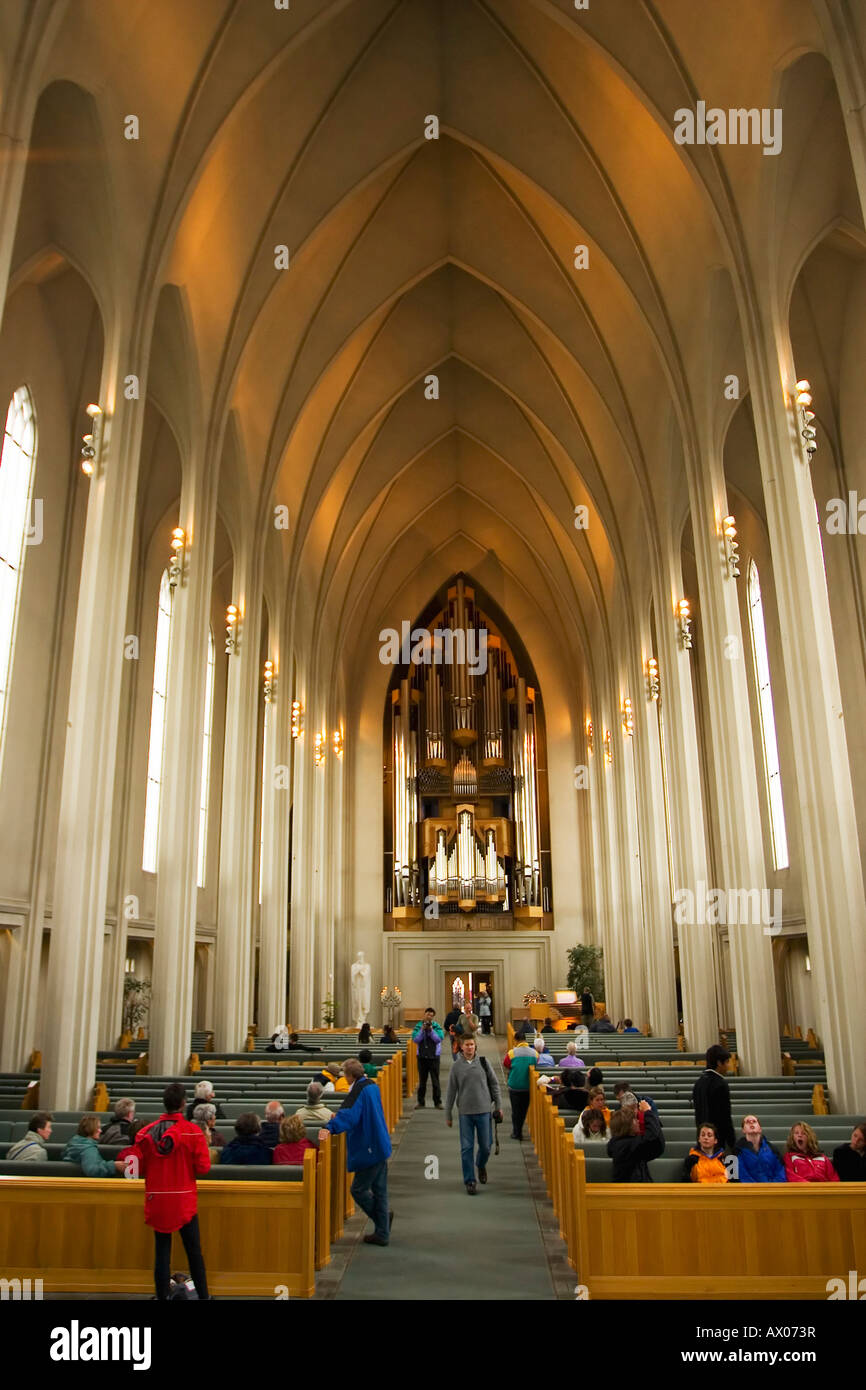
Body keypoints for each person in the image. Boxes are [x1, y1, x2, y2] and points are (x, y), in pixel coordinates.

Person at [122, 1081, 210, 1301]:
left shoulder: (144, 1133)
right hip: (184, 1200)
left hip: (158, 1199)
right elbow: (203, 1168)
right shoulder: (192, 1132)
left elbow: (135, 1169)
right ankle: (204, 1296)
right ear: (183, 1103)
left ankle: (161, 1297)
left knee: (162, 1254)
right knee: (194, 1253)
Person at [319, 1059, 393, 1246]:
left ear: (350, 1075)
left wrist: (330, 1127)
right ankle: (382, 1230)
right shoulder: (371, 1085)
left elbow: (349, 1115)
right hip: (379, 1143)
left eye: (345, 1074)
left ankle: (382, 1221)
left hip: (369, 1146)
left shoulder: (359, 1091)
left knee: (358, 1190)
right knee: (379, 1191)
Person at [445, 1035, 502, 1194]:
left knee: (486, 1146)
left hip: (484, 1110)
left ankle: (480, 1164)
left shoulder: (484, 1063)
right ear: (461, 1047)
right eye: (467, 1045)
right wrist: (448, 1113)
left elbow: (494, 1084)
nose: (469, 1047)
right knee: (466, 1148)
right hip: (465, 1112)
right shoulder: (456, 1066)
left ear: (475, 1046)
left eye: (472, 1044)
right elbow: (451, 1091)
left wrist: (498, 1105)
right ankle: (470, 1180)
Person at [607, 1102, 665, 1182]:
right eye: (634, 1119)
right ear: (627, 1125)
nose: (638, 1121)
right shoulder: (625, 1145)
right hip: (630, 1191)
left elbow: (658, 1146)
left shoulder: (627, 1143)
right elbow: (651, 1137)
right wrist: (648, 1112)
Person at [692, 1044, 735, 1150]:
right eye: (726, 1062)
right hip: (717, 1139)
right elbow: (725, 1117)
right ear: (719, 1063)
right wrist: (732, 1143)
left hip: (702, 1138)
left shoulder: (699, 1083)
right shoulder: (720, 1084)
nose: (728, 1066)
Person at [735, 1114, 786, 1183]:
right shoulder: (737, 1150)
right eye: (747, 1122)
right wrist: (758, 1189)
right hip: (749, 1191)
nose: (751, 1123)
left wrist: (772, 1187)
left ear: (760, 1128)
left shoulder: (772, 1149)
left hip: (773, 1190)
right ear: (743, 1130)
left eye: (754, 1121)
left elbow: (780, 1172)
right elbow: (741, 1175)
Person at [506, 1030, 536, 1140]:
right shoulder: (535, 1053)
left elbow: (506, 1064)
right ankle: (519, 1130)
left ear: (516, 1040)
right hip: (528, 1086)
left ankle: (516, 1132)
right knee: (523, 1110)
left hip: (514, 1085)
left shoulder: (512, 1053)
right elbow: (537, 1065)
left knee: (515, 1110)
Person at [412, 1007, 444, 1108]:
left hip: (434, 1057)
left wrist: (431, 1031)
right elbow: (416, 1039)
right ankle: (421, 1102)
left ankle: (437, 1102)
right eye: (428, 1014)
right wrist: (422, 1030)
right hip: (422, 1056)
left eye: (431, 1015)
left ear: (433, 1017)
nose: (429, 1016)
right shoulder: (418, 1026)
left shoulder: (436, 1026)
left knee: (435, 1081)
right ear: (424, 1014)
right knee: (422, 1081)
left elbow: (439, 1039)